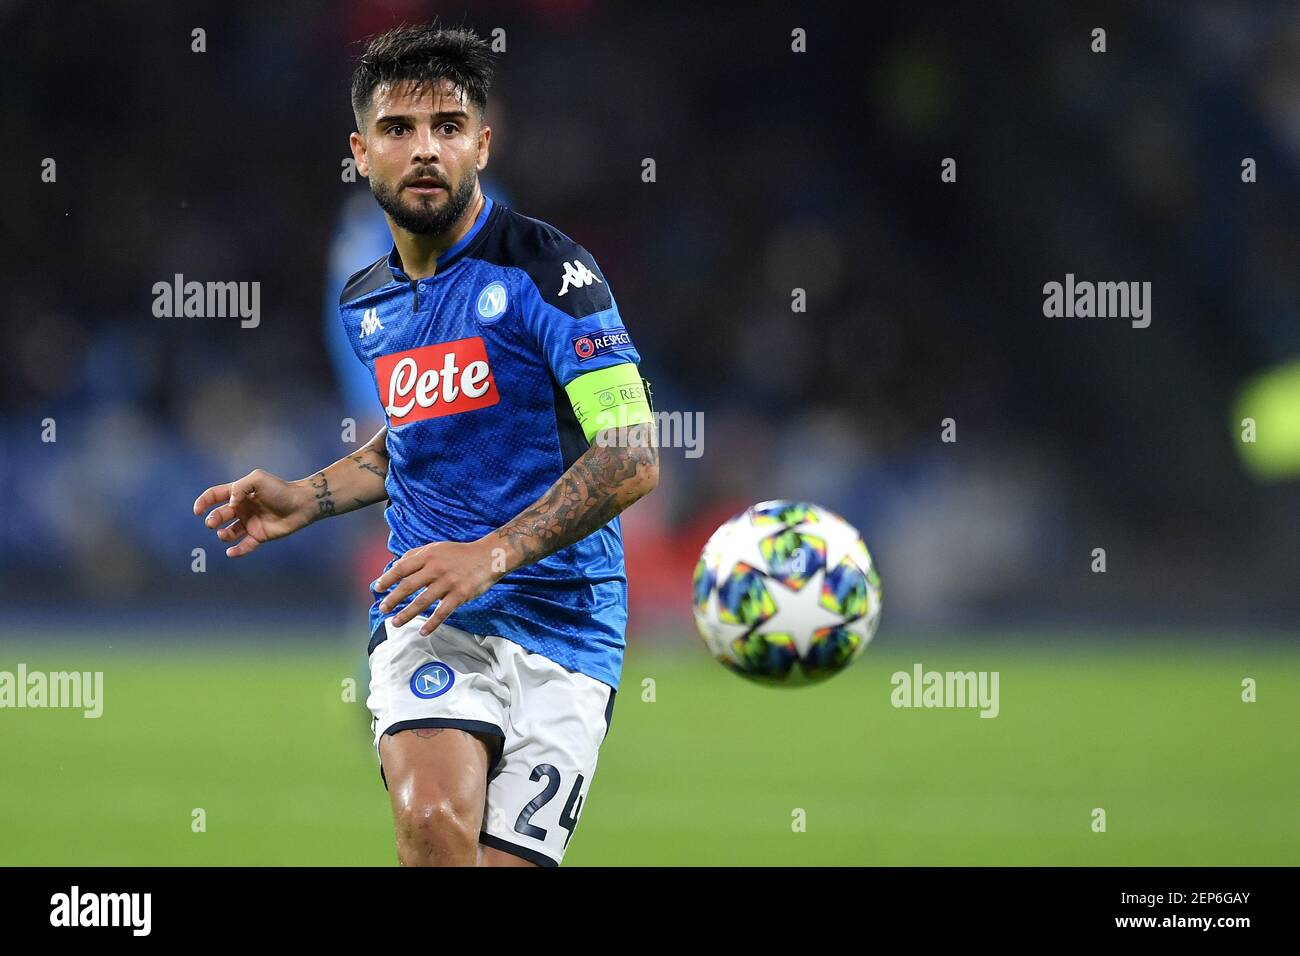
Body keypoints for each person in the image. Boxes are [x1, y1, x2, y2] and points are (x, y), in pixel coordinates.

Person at [192, 24, 658, 867]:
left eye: (448, 126)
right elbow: (416, 437)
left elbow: (632, 454)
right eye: (398, 130)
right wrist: (310, 495)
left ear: (482, 142)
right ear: (360, 152)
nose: (425, 150)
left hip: (571, 626)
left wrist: (490, 553)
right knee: (433, 822)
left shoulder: (550, 273)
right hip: (431, 615)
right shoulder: (367, 302)